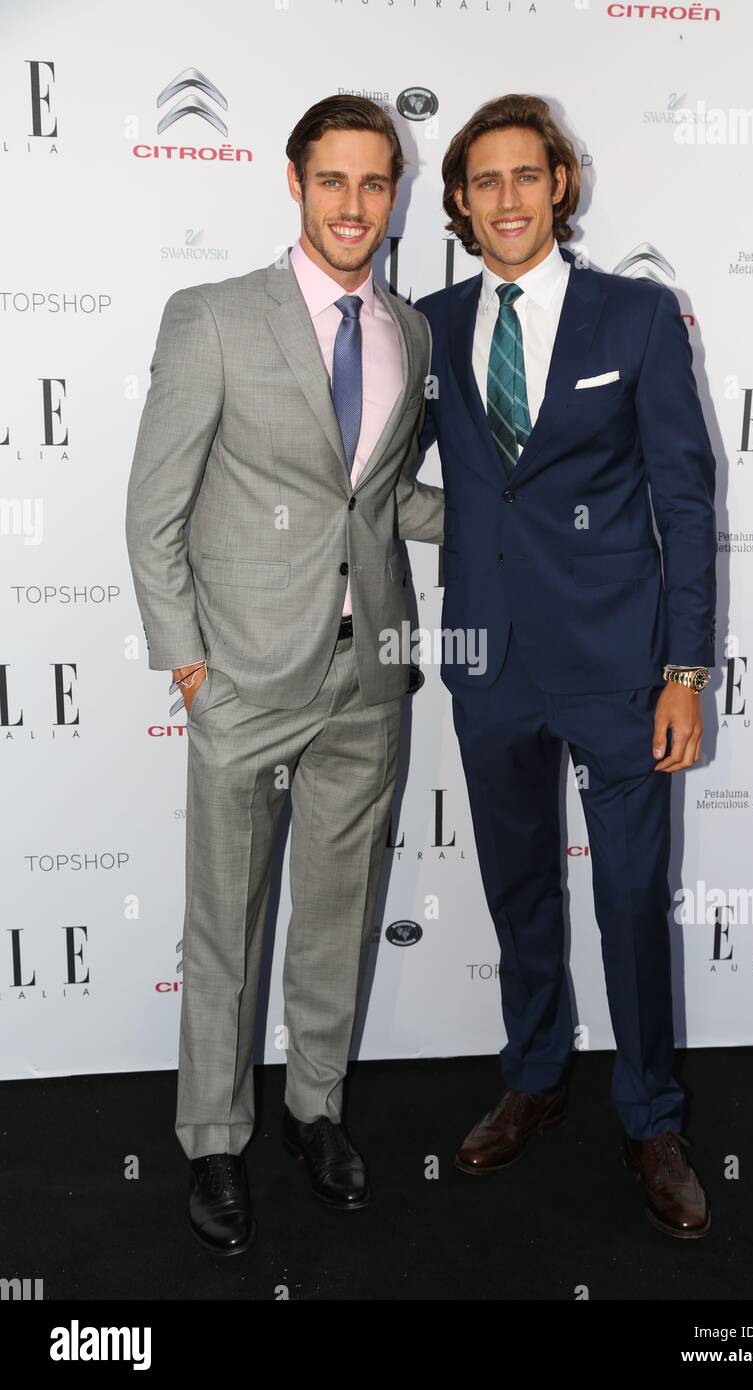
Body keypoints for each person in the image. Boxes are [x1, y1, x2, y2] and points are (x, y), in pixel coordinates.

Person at [126, 94, 444, 1255]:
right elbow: (151, 510)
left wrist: (508, 527)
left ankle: (316, 1108)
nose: (354, 206)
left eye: (374, 184)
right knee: (227, 920)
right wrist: (194, 672)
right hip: (245, 683)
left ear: (392, 194)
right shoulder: (211, 316)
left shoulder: (408, 332)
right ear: (294, 182)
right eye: (333, 182)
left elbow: (381, 497)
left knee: (339, 913)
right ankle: (214, 1134)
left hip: (371, 675)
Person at [415, 94, 716, 1238]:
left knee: (631, 897)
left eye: (524, 176)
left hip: (618, 662)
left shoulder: (634, 317)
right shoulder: (427, 324)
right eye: (482, 181)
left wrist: (684, 667)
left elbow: (684, 500)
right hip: (487, 659)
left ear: (559, 186)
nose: (505, 199)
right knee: (518, 885)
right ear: (457, 201)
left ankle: (649, 1115)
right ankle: (535, 1074)